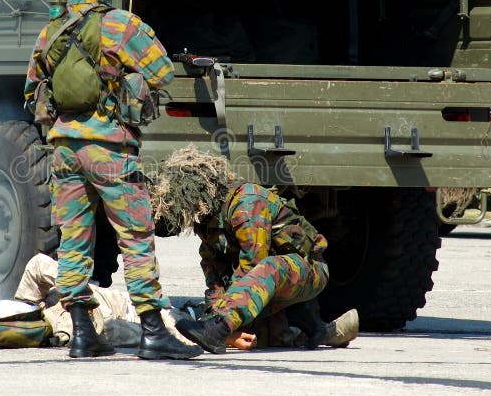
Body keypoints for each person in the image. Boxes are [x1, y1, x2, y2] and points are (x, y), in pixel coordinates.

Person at [23, 0, 201, 360]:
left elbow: (33, 91)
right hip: (111, 152)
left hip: (65, 151)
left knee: (73, 242)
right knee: (136, 237)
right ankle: (154, 331)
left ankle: (83, 333)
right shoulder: (120, 25)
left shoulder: (51, 31)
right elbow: (162, 72)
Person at [149, 145, 358, 354]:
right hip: (270, 282)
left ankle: (220, 328)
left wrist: (221, 327)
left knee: (267, 268)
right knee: (265, 338)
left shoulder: (247, 203)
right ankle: (313, 326)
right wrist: (214, 316)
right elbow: (215, 276)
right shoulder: (207, 219)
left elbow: (254, 267)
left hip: (309, 271)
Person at [14, 252, 259, 350]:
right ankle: (218, 332)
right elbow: (170, 327)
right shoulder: (58, 326)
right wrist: (225, 337)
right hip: (116, 315)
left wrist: (67, 289)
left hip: (101, 305)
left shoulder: (35, 303)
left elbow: (37, 264)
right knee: (157, 326)